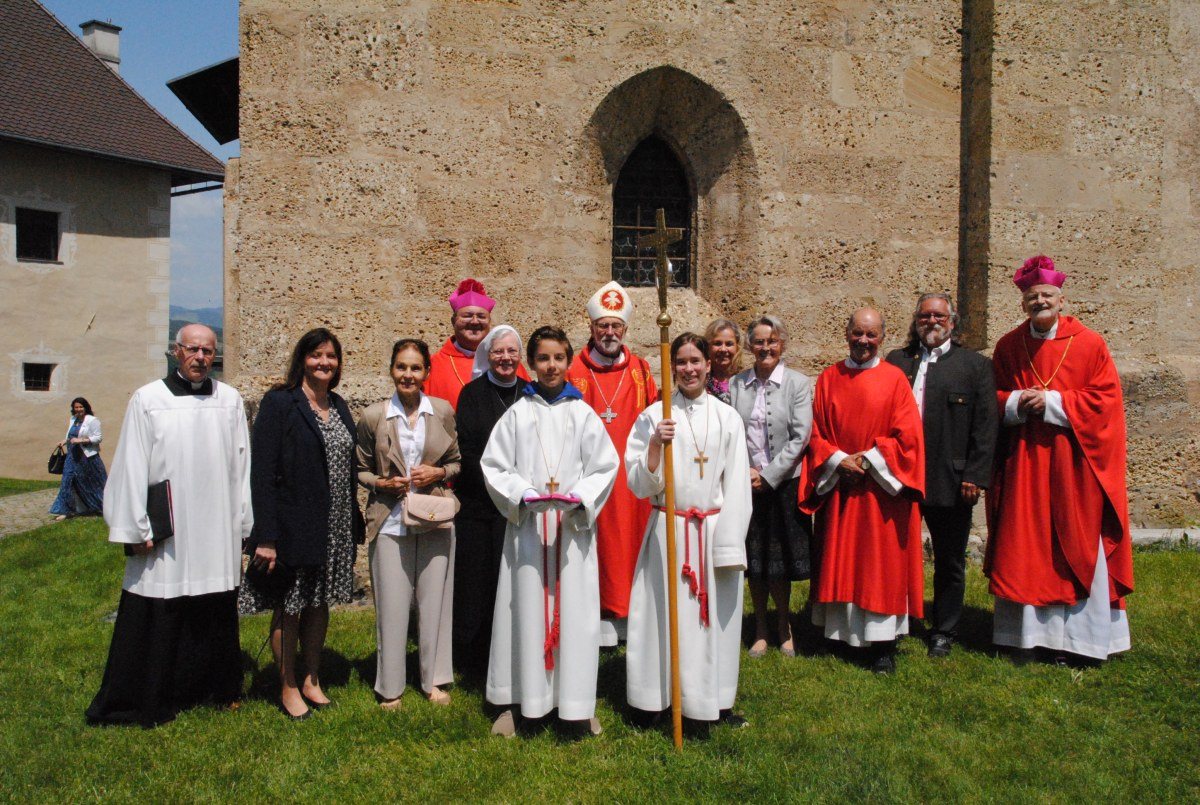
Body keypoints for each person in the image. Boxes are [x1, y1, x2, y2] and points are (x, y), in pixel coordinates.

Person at [86, 323, 252, 726]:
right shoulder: (148, 399)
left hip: (215, 526)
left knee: (213, 606)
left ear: (215, 355)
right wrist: (134, 527)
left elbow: (241, 467)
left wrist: (243, 522)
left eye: (208, 351)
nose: (199, 358)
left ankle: (215, 688)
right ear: (176, 352)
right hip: (168, 528)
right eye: (192, 349)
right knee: (163, 608)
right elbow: (130, 464)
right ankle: (153, 694)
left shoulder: (229, 400)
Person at [985, 256, 1133, 664]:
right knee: (1025, 546)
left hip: (1074, 465)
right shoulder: (1009, 346)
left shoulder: (1089, 344)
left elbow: (1105, 403)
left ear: (1061, 299)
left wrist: (1051, 401)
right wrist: (1016, 401)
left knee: (1076, 543)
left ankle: (1081, 641)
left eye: (1047, 295)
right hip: (1025, 464)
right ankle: (1025, 639)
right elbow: (990, 399)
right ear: (1022, 304)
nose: (1040, 302)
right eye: (1032, 297)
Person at [481, 326, 619, 737]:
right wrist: (522, 494)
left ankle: (576, 704)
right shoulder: (518, 414)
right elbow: (494, 466)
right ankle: (523, 702)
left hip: (571, 532)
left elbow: (604, 467)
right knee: (523, 611)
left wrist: (579, 498)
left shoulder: (583, 414)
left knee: (575, 616)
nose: (551, 366)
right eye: (543, 358)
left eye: (559, 358)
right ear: (532, 363)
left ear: (569, 361)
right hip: (528, 531)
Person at [625, 333, 753, 727]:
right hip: (669, 530)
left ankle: (715, 701)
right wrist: (652, 448)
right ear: (671, 366)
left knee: (712, 622)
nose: (689, 369)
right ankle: (656, 701)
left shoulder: (727, 417)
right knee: (662, 619)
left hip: (711, 533)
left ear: (709, 364)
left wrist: (729, 545)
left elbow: (737, 487)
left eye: (695, 360)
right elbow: (638, 485)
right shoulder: (654, 416)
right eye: (680, 362)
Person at [240, 328, 365, 719]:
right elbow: (261, 473)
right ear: (302, 360)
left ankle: (312, 677)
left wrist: (354, 518)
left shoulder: (340, 405)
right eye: (315, 355)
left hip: (335, 525)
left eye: (330, 356)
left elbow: (346, 469)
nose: (323, 362)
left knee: (319, 602)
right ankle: (287, 684)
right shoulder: (281, 403)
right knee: (290, 605)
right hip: (294, 523)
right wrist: (267, 536)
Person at [799, 309, 925, 674]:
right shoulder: (829, 378)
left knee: (879, 565)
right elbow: (816, 432)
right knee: (842, 558)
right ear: (846, 334)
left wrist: (868, 462)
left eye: (871, 335)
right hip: (841, 487)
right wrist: (838, 460)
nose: (863, 341)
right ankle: (839, 635)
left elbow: (909, 436)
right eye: (857, 333)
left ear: (882, 338)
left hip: (881, 495)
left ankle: (882, 643)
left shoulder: (895, 380)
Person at [885, 294, 998, 658]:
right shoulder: (897, 361)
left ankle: (944, 629)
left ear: (952, 321)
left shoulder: (974, 366)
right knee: (896, 552)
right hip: (899, 477)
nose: (931, 321)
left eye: (939, 315)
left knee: (949, 558)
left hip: (950, 478)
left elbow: (984, 426)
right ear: (915, 320)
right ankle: (897, 618)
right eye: (924, 315)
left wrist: (976, 476)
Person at [357, 339, 461, 708]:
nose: (408, 375)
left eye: (416, 368)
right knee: (392, 604)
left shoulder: (443, 412)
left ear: (427, 373)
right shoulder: (374, 416)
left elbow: (456, 462)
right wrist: (381, 483)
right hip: (390, 520)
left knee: (436, 601)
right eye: (401, 367)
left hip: (433, 515)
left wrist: (438, 471)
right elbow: (361, 470)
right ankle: (390, 686)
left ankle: (433, 680)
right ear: (391, 370)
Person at [565, 281, 658, 645]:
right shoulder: (573, 370)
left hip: (631, 482)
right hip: (589, 477)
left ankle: (629, 620)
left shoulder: (640, 370)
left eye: (615, 326)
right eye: (602, 325)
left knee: (630, 546)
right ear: (590, 328)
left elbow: (652, 417)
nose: (609, 332)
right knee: (595, 547)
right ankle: (595, 623)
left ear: (626, 330)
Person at [729, 316, 814, 658]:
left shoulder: (797, 383)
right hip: (745, 482)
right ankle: (760, 627)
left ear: (783, 345)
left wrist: (768, 475)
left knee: (778, 561)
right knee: (754, 559)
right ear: (750, 346)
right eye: (759, 342)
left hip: (782, 484)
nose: (766, 348)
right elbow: (732, 431)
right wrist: (745, 471)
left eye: (772, 341)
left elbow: (801, 435)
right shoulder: (738, 384)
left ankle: (784, 625)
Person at [453, 324, 525, 678]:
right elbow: (466, 450)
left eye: (512, 351)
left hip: (519, 509)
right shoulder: (472, 394)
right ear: (487, 355)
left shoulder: (529, 394)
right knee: (476, 584)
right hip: (479, 505)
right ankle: (473, 659)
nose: (505, 358)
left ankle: (514, 651)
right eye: (498, 351)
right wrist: (497, 485)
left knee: (512, 583)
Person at [425, 278, 527, 409]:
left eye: (481, 316)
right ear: (453, 321)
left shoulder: (508, 361)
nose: (474, 321)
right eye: (467, 315)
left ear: (489, 321)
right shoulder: (433, 365)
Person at [50, 396, 107, 519]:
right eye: (76, 407)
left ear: (85, 407)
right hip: (72, 456)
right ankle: (65, 511)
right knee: (67, 481)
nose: (78, 409)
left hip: (87, 457)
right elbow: (70, 435)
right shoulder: (73, 419)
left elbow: (98, 438)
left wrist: (81, 440)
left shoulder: (92, 420)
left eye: (81, 407)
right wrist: (65, 441)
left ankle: (104, 507)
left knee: (94, 483)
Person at [704, 318, 744, 404]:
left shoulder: (746, 381)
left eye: (729, 344)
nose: (723, 349)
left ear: (737, 347)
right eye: (717, 343)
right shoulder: (699, 382)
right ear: (708, 347)